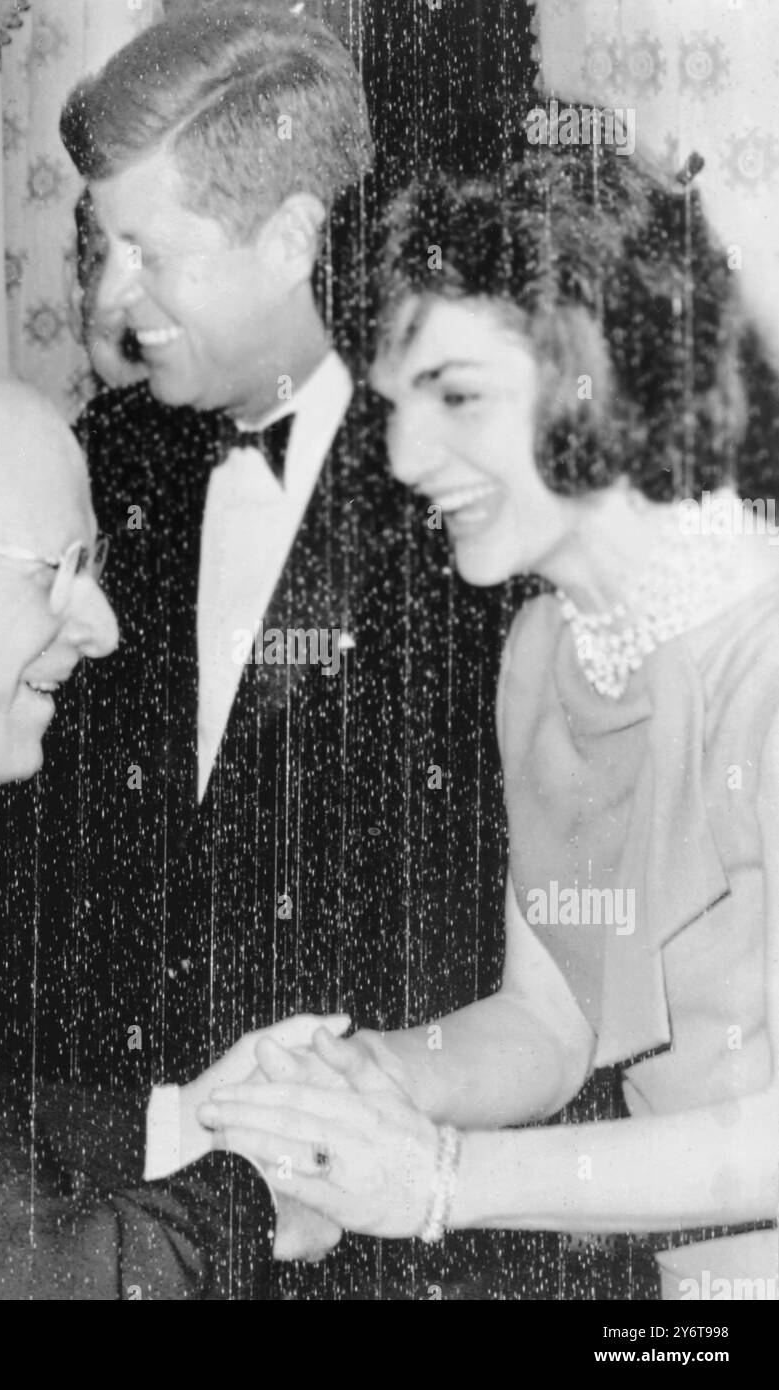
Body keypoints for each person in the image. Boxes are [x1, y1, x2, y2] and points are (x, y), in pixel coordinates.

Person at [201, 138, 779, 1300]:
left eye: (458, 394)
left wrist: (440, 1179)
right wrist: (351, 1082)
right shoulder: (544, 654)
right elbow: (550, 1024)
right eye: (395, 402)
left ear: (612, 367)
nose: (407, 455)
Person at [0, 1, 495, 1298]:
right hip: (135, 1208)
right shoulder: (100, 462)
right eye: (102, 252)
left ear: (287, 240)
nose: (110, 302)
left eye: (148, 254)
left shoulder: (477, 504)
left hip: (392, 1233)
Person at [0, 345, 346, 1299]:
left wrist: (182, 1125)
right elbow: (52, 1289)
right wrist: (253, 1194)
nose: (103, 627)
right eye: (54, 572)